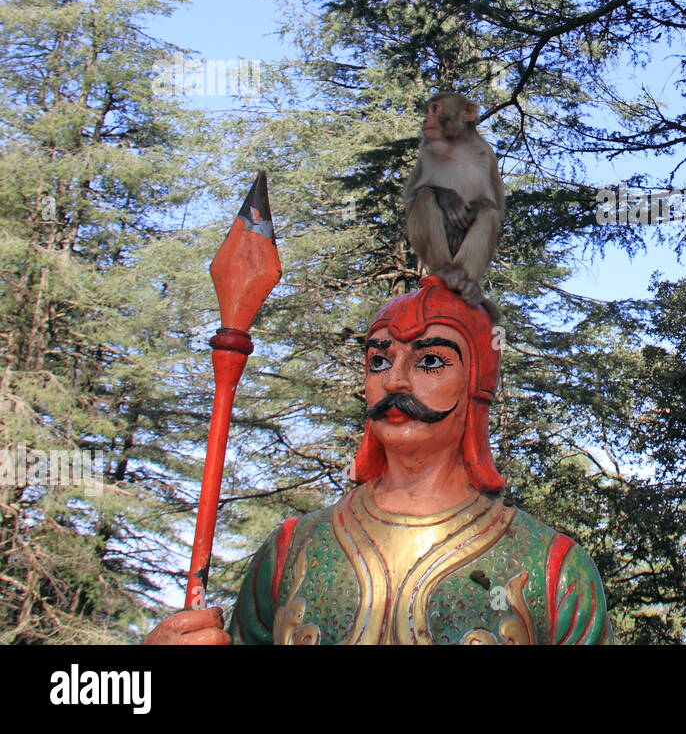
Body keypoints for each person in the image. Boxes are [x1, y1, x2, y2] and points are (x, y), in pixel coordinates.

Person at [145, 276, 610, 645]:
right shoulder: (291, 551)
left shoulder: (553, 569)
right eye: (380, 362)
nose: (397, 382)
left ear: (476, 387)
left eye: (430, 362)